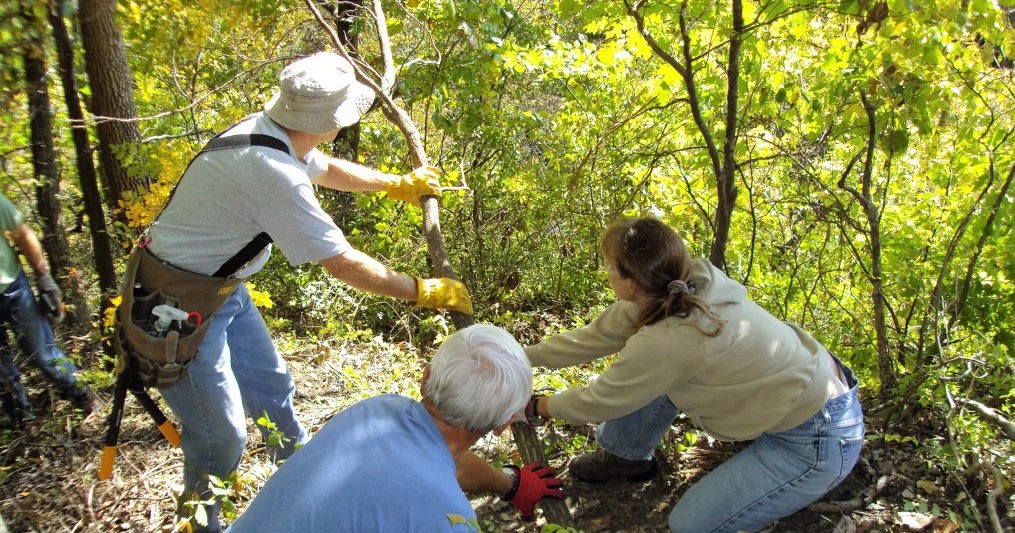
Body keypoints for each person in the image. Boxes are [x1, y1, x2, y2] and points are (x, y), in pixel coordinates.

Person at [141, 52, 473, 532]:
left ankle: (298, 474)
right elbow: (342, 263)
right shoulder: (272, 174)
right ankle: (201, 525)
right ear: (330, 121)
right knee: (221, 439)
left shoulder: (273, 132)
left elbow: (326, 167)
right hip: (176, 307)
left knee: (273, 388)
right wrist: (421, 290)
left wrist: (394, 184)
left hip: (221, 291)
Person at [522, 217, 864, 533]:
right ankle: (625, 459)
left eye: (610, 267)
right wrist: (520, 358)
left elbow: (601, 400)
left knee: (689, 524)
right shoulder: (675, 290)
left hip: (817, 437)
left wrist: (536, 406)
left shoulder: (671, 340)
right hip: (799, 395)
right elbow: (593, 338)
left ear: (631, 280)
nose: (607, 273)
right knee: (655, 378)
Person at [226, 324, 564, 532]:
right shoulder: (448, 520)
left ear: (426, 376)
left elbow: (440, 459)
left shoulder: (378, 410)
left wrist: (510, 485)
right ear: (504, 424)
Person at [0, 192, 99, 433]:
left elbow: (22, 234)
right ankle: (25, 425)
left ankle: (83, 395)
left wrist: (44, 278)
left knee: (43, 354)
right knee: (2, 371)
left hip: (12, 286)